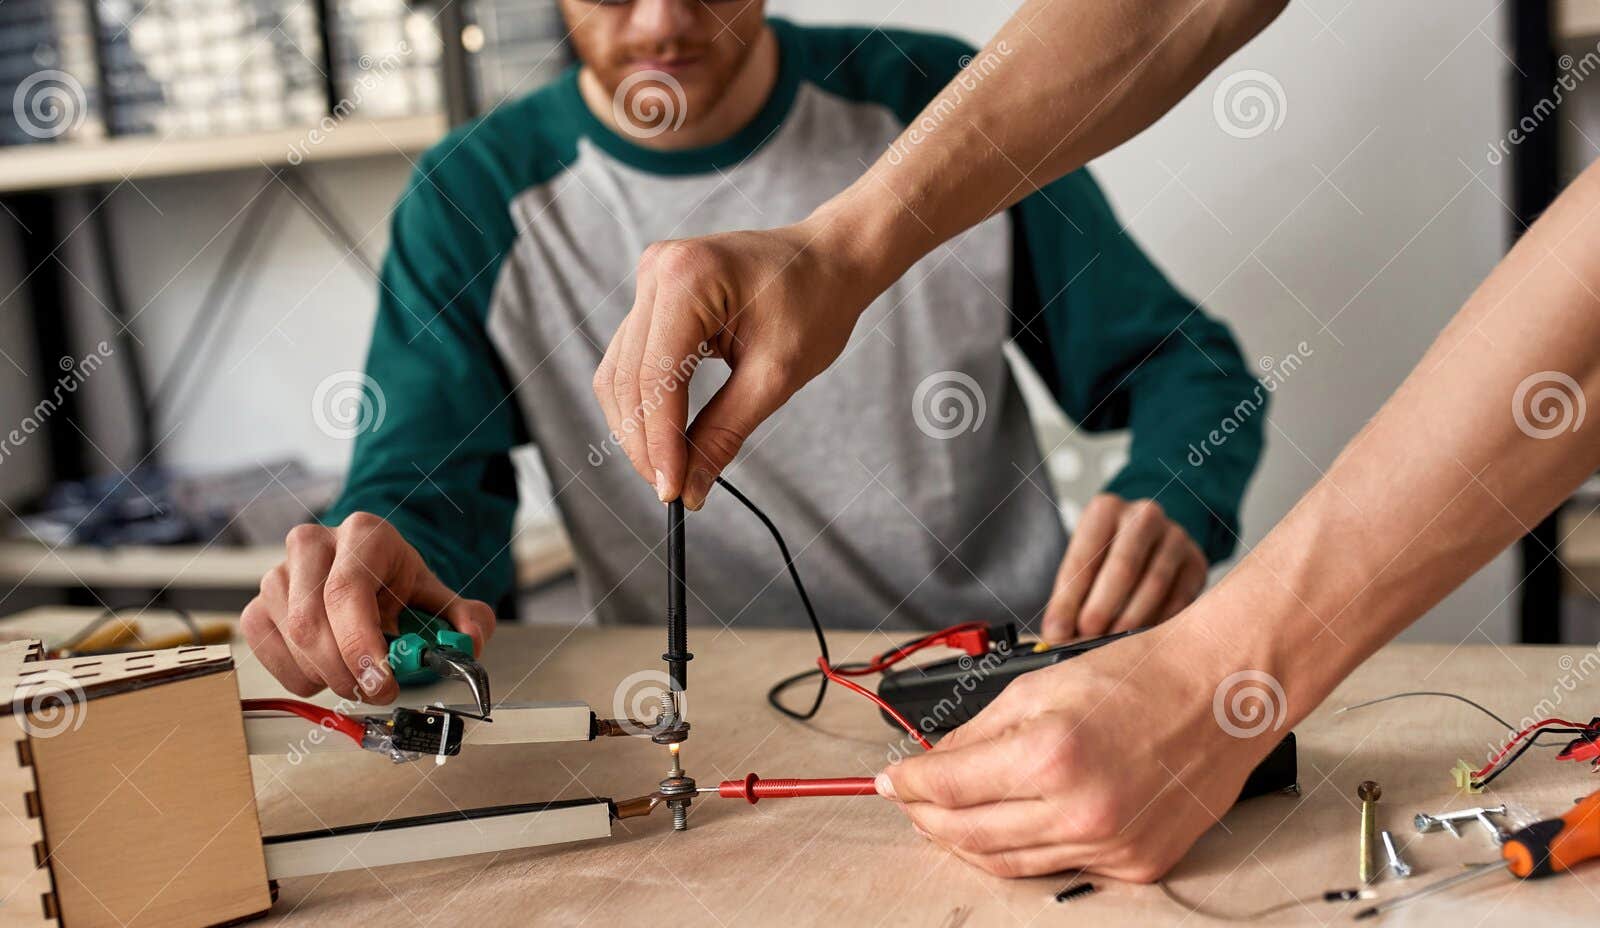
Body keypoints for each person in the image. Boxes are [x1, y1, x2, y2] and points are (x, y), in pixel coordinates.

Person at [596, 0, 1600, 882]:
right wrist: (841, 249)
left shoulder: (912, 89)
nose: (658, 22)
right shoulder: (481, 197)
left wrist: (1217, 672)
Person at [243, 0, 1268, 704]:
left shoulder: (942, 107)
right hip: (701, 707)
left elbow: (1185, 367)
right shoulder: (469, 201)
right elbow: (430, 499)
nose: (661, 21)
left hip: (1003, 677)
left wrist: (1174, 496)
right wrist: (377, 569)